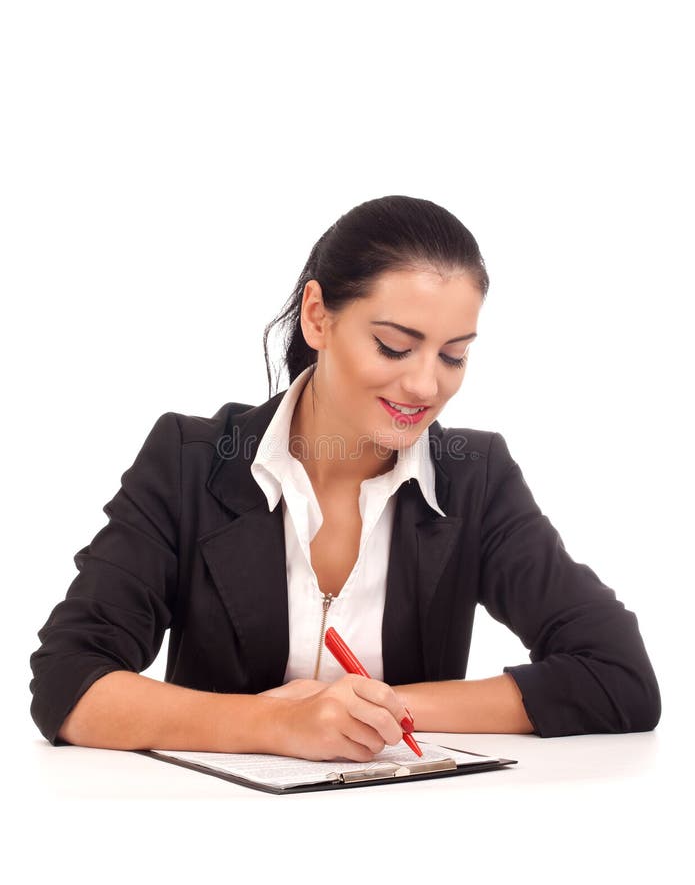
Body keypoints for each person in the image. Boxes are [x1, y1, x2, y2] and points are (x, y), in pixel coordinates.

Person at [29, 195, 661, 762]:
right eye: (393, 345)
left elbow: (619, 676)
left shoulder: (477, 478)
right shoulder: (191, 461)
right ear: (317, 317)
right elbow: (68, 682)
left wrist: (379, 710)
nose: (424, 385)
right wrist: (274, 724)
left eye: (453, 355)